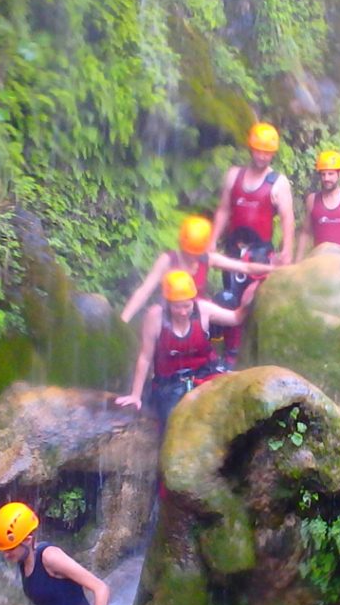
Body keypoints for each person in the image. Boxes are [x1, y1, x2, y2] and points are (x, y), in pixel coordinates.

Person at [115, 269, 254, 423]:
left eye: (187, 306)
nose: (183, 312)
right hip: (170, 383)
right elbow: (145, 358)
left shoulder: (203, 309)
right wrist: (135, 395)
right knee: (172, 420)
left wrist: (249, 296)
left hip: (206, 373)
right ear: (167, 303)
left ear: (193, 300)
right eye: (177, 307)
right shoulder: (155, 317)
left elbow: (236, 318)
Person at [120, 215, 272, 324]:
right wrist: (123, 320)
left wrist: (274, 269)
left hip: (197, 312)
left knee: (228, 303)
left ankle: (226, 354)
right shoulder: (167, 260)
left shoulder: (207, 258)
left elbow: (245, 267)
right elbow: (144, 291)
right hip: (170, 314)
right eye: (188, 252)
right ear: (181, 245)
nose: (192, 257)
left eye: (196, 253)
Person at [209, 122, 296, 267]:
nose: (262, 156)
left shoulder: (278, 183)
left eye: (267, 153)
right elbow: (223, 209)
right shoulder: (233, 175)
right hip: (233, 248)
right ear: (251, 149)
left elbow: (287, 218)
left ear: (273, 153)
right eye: (258, 151)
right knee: (230, 288)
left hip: (261, 252)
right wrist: (212, 239)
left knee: (254, 290)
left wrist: (287, 250)